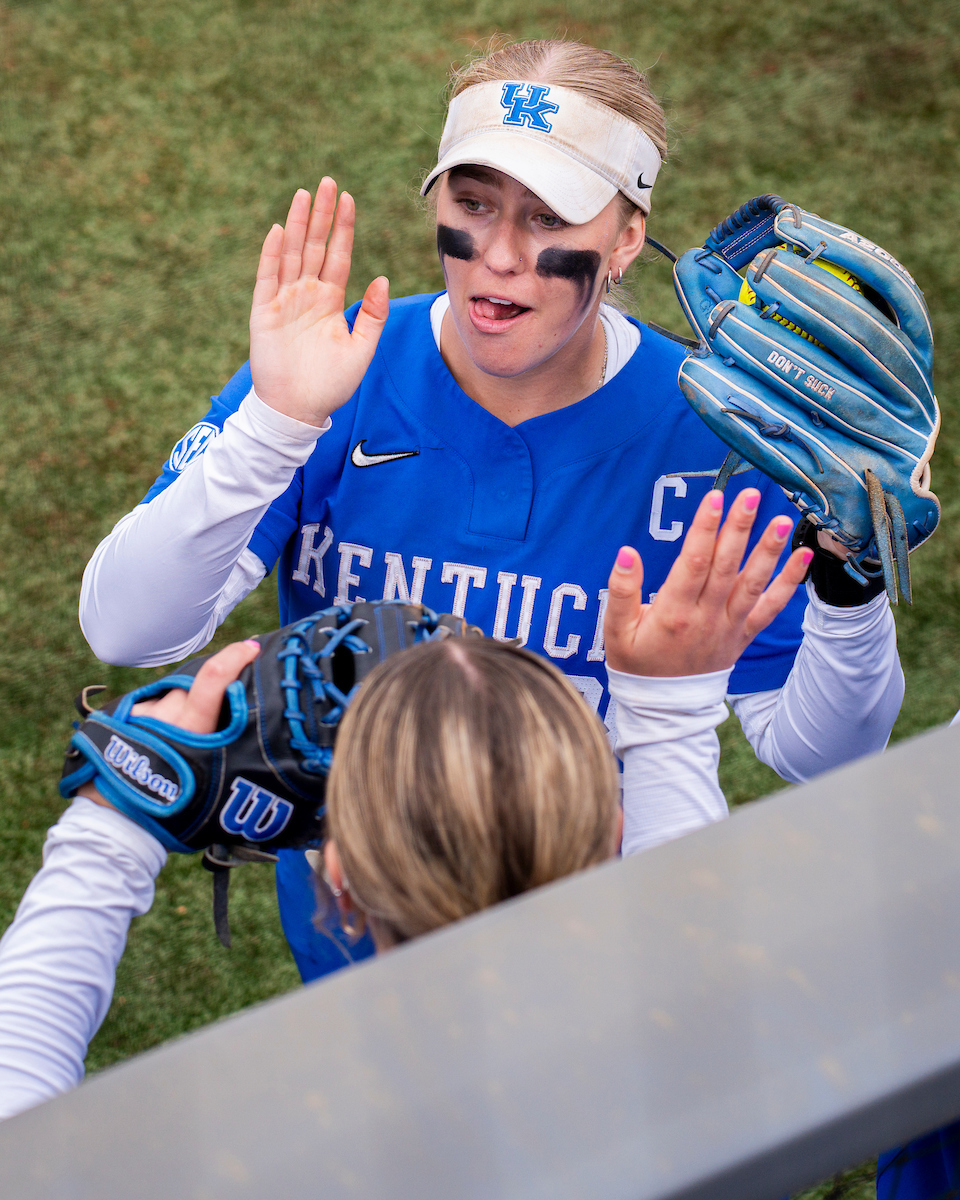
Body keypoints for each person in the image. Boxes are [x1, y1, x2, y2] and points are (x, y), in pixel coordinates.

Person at [77, 39, 903, 983]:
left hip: (606, 962)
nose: (500, 258)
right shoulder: (334, 372)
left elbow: (823, 752)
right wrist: (275, 422)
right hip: (356, 942)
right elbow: (126, 626)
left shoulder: (714, 433)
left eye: (549, 217)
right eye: (473, 205)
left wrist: (850, 584)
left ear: (629, 236)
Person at [0, 494, 813, 1118]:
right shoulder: (726, 1058)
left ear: (342, 881)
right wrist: (668, 713)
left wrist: (119, 821)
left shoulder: (280, 1144)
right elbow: (684, 911)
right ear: (617, 830)